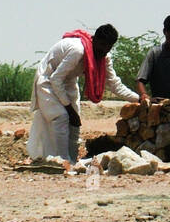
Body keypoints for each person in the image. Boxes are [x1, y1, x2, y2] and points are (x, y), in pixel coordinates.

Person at [27, 23, 141, 163]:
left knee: (75, 124)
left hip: (68, 82)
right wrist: (69, 109)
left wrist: (140, 99)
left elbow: (114, 84)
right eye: (101, 45)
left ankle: (72, 162)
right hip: (48, 80)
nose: (103, 50)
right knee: (61, 117)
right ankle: (63, 161)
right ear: (95, 40)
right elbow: (55, 79)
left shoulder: (104, 57)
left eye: (108, 47)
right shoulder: (78, 50)